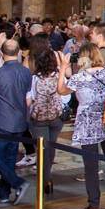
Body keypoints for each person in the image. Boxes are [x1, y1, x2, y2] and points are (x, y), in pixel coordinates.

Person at [62, 42, 105, 209]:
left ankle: (94, 204)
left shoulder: (79, 78)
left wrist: (62, 68)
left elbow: (61, 90)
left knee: (90, 166)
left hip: (87, 124)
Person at [0, 39, 33, 205]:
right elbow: (28, 99)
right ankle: (3, 193)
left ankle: (18, 182)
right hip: (20, 121)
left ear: (2, 55)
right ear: (19, 53)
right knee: (10, 157)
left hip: (2, 120)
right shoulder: (26, 73)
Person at [26, 36, 65, 194]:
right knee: (51, 146)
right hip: (56, 117)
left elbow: (28, 101)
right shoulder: (58, 77)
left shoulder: (34, 79)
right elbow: (65, 96)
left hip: (39, 118)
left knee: (42, 149)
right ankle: (47, 176)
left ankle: (45, 178)